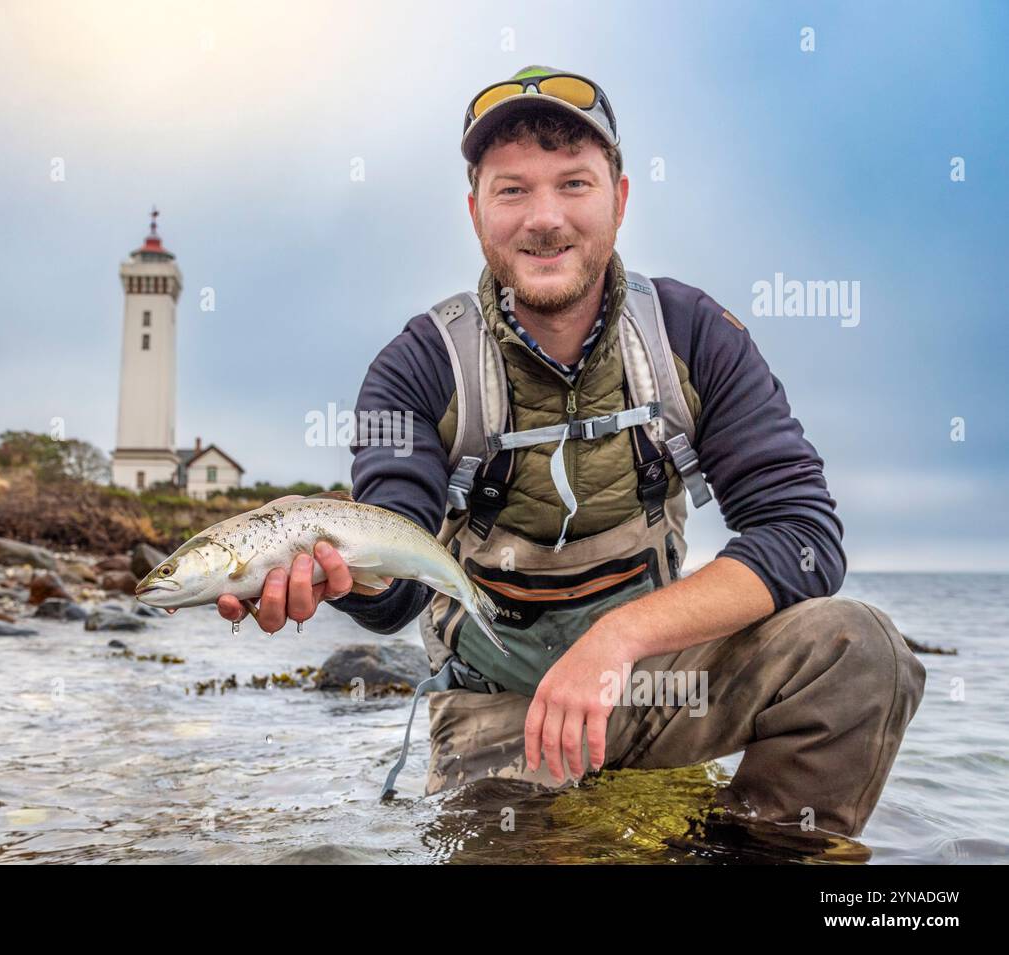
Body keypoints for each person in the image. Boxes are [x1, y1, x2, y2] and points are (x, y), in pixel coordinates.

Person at [217, 66, 925, 840]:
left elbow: (806, 541)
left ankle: (753, 851)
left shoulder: (695, 336)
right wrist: (325, 570)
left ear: (620, 200)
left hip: (661, 689)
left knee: (862, 652)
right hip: (499, 712)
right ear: (475, 212)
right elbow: (394, 599)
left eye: (575, 184)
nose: (544, 218)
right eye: (512, 190)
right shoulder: (415, 367)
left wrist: (616, 640)